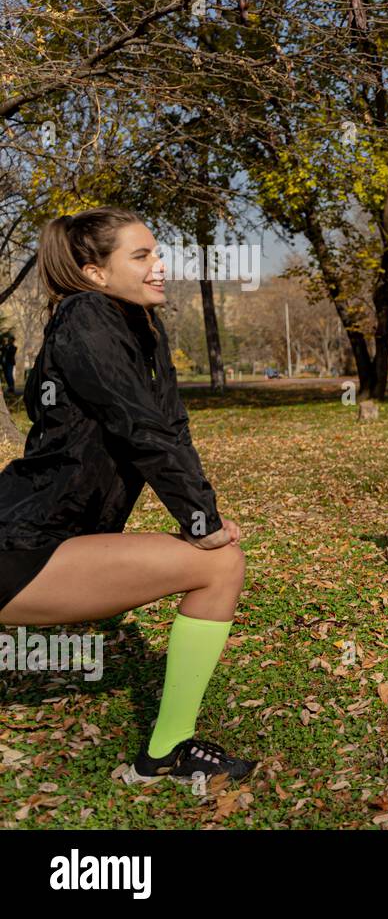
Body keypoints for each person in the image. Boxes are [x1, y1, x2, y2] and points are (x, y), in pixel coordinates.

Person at [0, 208, 256, 785]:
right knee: (219, 566)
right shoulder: (86, 315)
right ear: (93, 272)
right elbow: (136, 426)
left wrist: (202, 514)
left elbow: (169, 426)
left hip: (50, 538)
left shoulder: (135, 324)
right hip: (23, 541)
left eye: (156, 253)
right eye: (140, 257)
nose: (158, 267)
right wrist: (199, 518)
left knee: (218, 563)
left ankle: (168, 752)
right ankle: (166, 752)